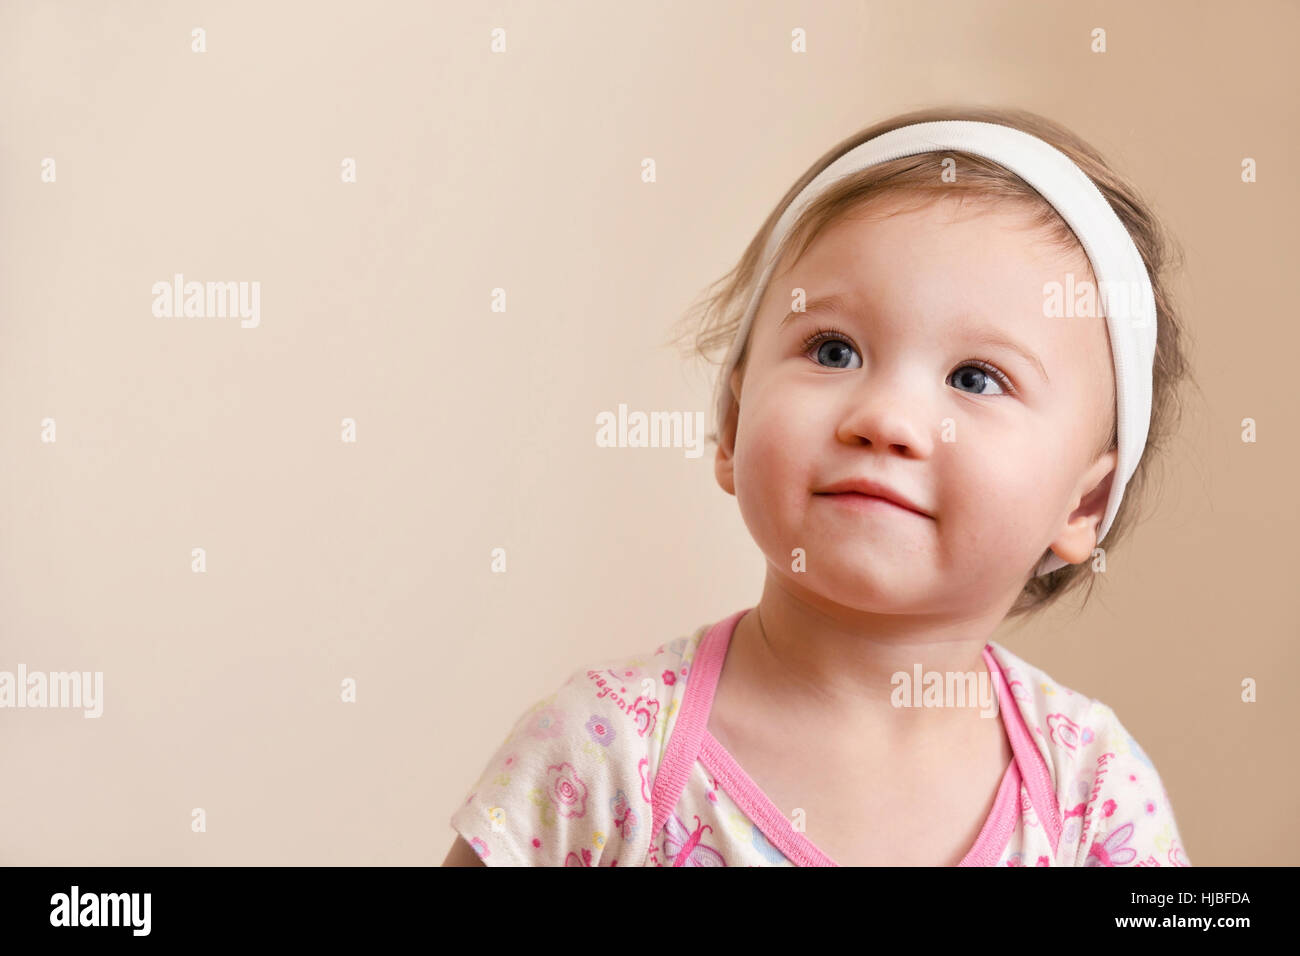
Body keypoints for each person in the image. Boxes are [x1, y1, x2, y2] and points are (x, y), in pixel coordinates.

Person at [442, 106, 1194, 867]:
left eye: (976, 378)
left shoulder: (1095, 794)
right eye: (833, 350)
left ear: (1084, 505)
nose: (885, 418)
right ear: (732, 426)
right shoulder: (604, 756)